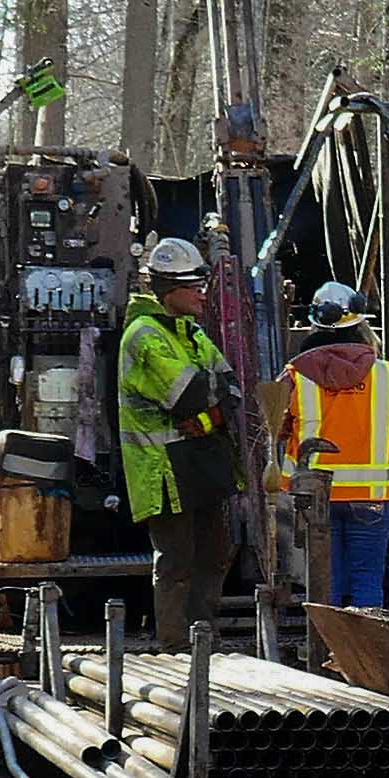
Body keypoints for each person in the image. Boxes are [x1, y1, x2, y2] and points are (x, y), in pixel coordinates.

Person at [114, 238, 236, 644]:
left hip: (197, 462)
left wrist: (208, 418)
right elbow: (189, 393)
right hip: (163, 468)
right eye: (192, 283)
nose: (202, 292)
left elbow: (233, 391)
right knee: (177, 561)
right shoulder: (144, 336)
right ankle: (175, 646)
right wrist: (208, 407)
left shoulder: (191, 334)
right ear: (168, 290)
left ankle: (204, 639)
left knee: (214, 555)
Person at [278, 283, 389, 610]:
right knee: (366, 580)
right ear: (359, 323)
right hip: (371, 496)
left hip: (316, 496)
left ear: (313, 323)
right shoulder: (386, 374)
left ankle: (325, 652)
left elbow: (274, 427)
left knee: (324, 581)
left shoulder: (295, 376)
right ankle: (362, 658)